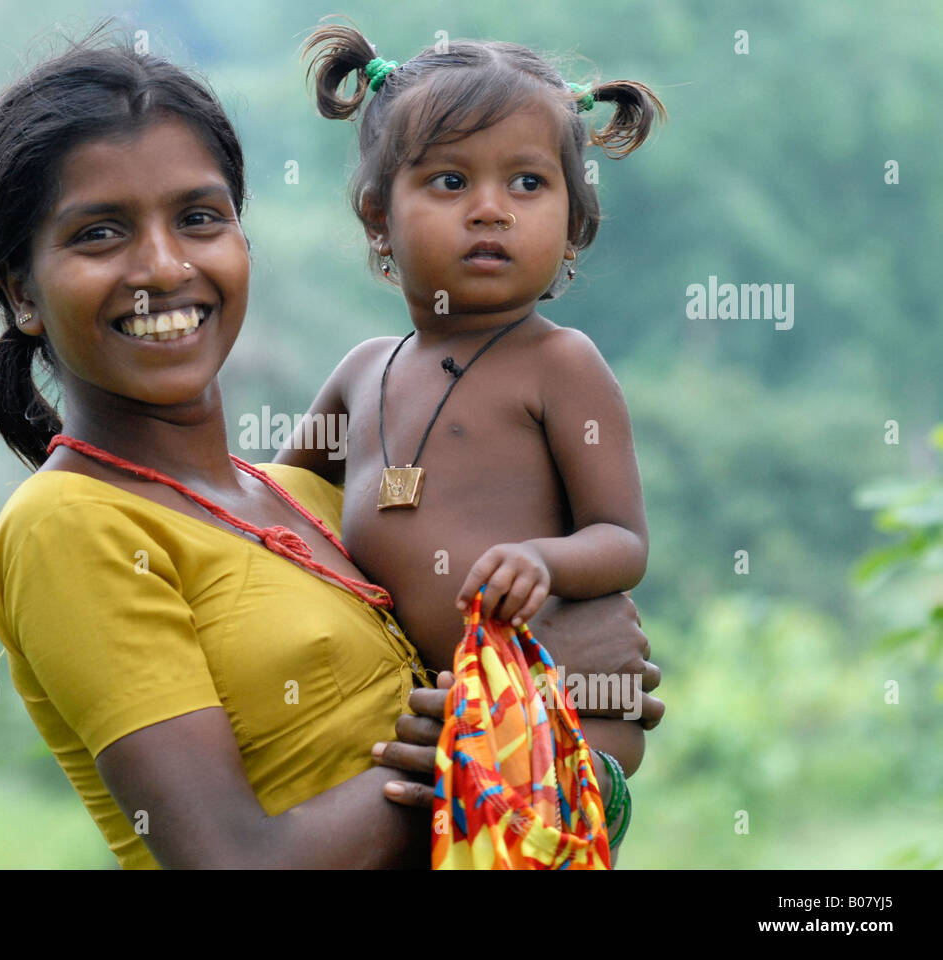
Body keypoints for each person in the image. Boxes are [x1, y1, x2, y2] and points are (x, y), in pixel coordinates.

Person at [0, 27, 663, 869]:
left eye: (199, 218)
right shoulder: (72, 525)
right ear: (22, 292)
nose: (162, 267)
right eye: (99, 234)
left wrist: (573, 741)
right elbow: (230, 861)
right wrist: (491, 736)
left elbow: (541, 707)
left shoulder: (311, 496)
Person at [277, 24, 668, 853]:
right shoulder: (363, 372)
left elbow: (624, 540)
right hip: (436, 714)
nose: (490, 209)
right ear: (379, 216)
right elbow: (272, 503)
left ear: (574, 226)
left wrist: (542, 561)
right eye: (450, 180)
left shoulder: (559, 365)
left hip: (559, 707)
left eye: (528, 183)